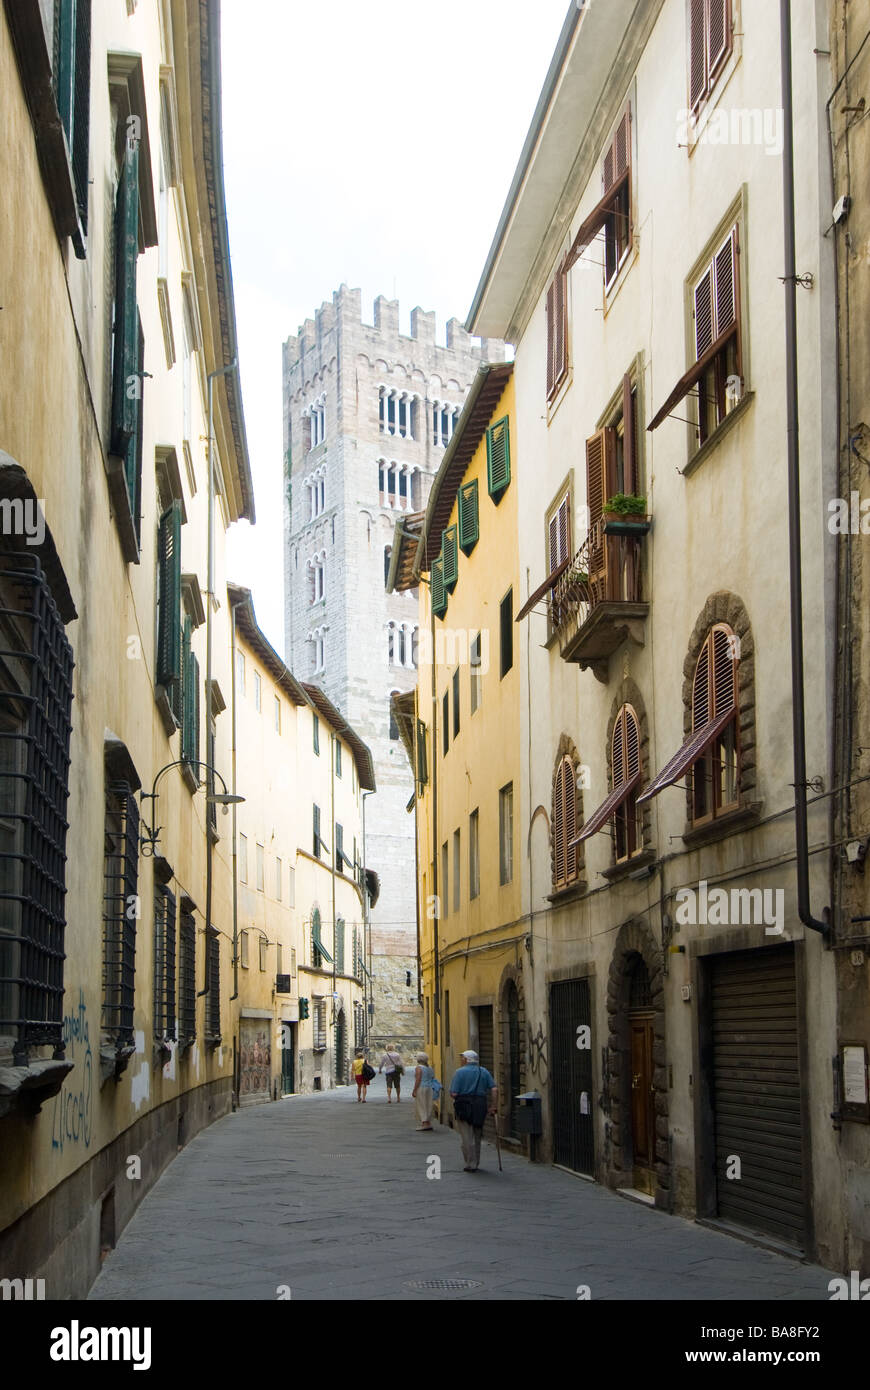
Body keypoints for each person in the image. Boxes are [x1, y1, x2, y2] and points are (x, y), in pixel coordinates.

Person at [449, 1049, 497, 1172]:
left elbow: (454, 1093)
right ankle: (476, 1162)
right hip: (480, 1105)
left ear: (467, 1060)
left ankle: (470, 1163)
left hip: (464, 1105)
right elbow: (494, 1089)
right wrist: (493, 1105)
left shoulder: (459, 1072)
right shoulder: (484, 1071)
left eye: (462, 1058)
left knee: (466, 1135)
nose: (461, 1060)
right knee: (477, 1134)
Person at [412, 1052, 435, 1130]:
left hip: (421, 1088)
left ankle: (424, 1123)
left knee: (422, 1105)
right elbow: (432, 1078)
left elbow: (418, 1079)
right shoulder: (430, 1068)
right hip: (430, 1088)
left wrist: (414, 1090)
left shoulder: (419, 1067)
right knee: (428, 1104)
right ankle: (428, 1122)